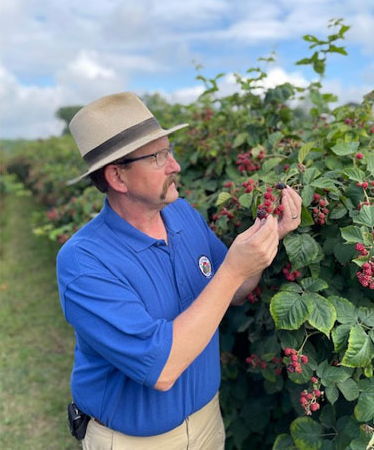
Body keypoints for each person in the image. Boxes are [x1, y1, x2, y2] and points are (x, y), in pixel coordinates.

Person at [57, 92, 301, 448]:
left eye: (169, 151)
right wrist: (234, 270)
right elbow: (162, 368)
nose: (175, 166)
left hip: (207, 423)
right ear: (118, 177)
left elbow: (233, 292)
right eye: (158, 157)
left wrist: (270, 236)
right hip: (133, 442)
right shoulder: (84, 261)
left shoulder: (182, 213)